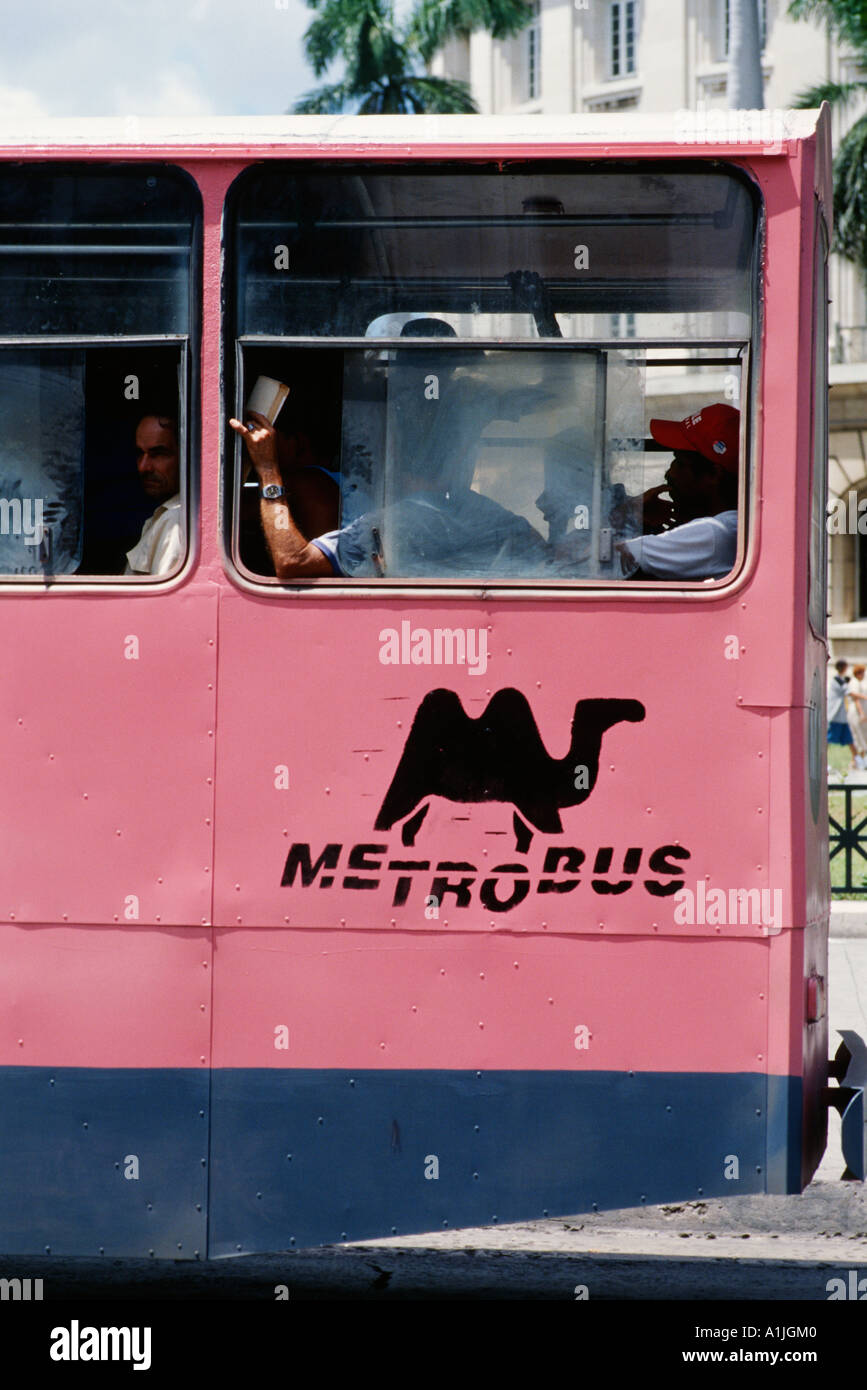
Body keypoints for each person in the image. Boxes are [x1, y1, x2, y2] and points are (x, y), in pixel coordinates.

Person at [615, 403, 739, 580]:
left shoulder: (715, 533)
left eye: (680, 462)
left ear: (713, 474)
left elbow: (587, 560)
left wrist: (626, 513)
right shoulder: (733, 525)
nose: (669, 473)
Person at [124, 411, 183, 576]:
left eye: (158, 454)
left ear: (185, 455)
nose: (143, 467)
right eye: (139, 454)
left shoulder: (176, 519)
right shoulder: (164, 515)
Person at [828, 658, 858, 774]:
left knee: (849, 739)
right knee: (829, 740)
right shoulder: (837, 680)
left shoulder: (841, 680)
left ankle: (857, 760)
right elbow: (848, 692)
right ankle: (823, 761)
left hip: (841, 717)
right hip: (835, 716)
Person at [847, 663, 867, 769]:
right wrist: (862, 714)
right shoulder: (854, 683)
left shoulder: (860, 683)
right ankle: (857, 761)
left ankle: (858, 760)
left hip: (859, 713)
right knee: (858, 736)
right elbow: (856, 700)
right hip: (856, 713)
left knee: (862, 736)